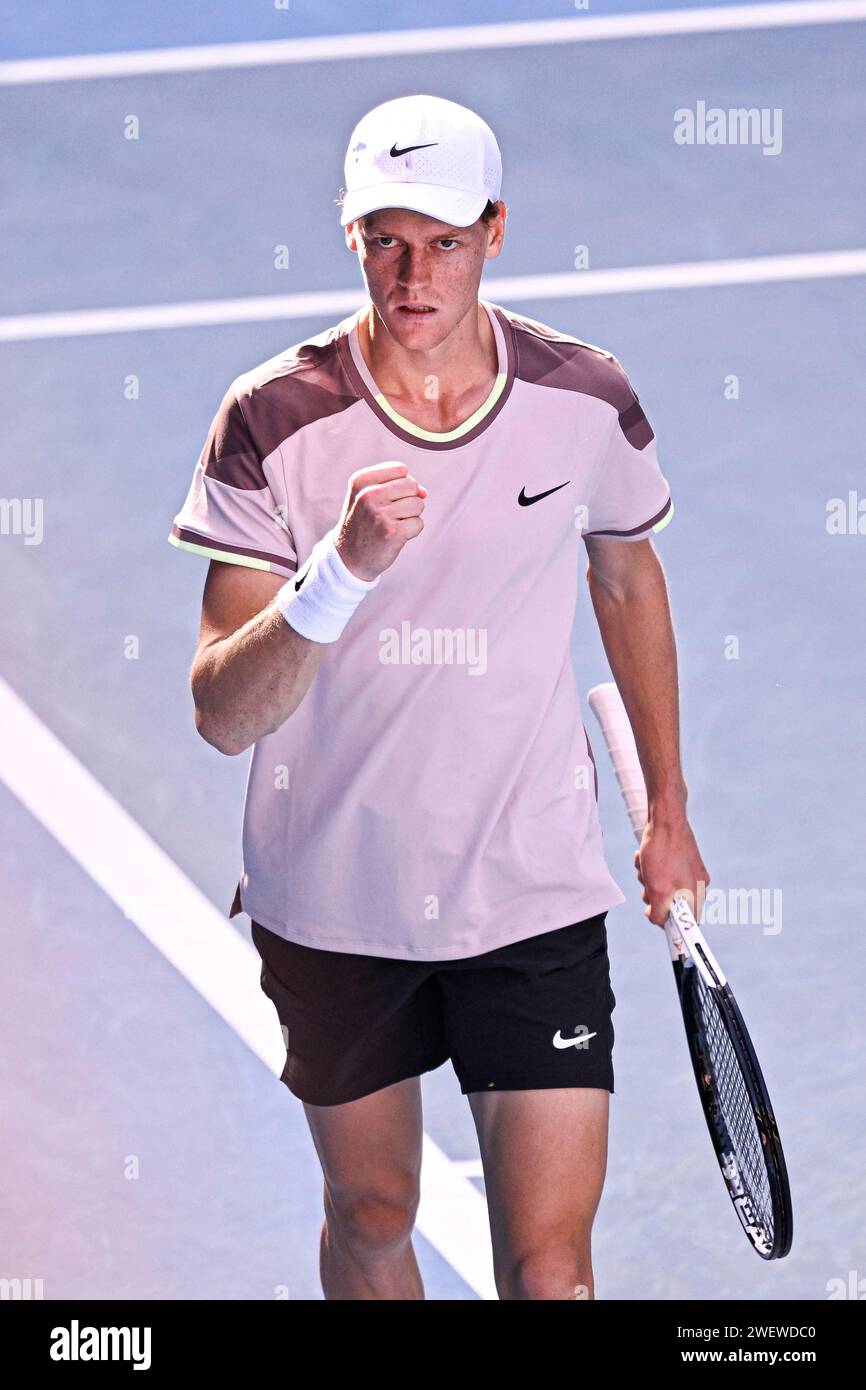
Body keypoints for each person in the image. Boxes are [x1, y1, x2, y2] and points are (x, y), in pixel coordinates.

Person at [168, 94, 710, 1300]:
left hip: (528, 888)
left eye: (445, 241)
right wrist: (334, 573)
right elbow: (220, 711)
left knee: (551, 1269)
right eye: (385, 240)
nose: (414, 275)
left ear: (496, 231)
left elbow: (625, 576)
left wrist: (667, 813)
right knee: (370, 1213)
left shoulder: (584, 397)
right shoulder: (270, 417)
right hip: (333, 895)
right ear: (350, 235)